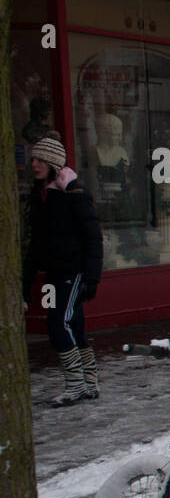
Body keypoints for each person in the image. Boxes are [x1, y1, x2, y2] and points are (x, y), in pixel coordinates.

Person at [21, 133, 103, 406]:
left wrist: (91, 279)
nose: (34, 164)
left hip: (74, 272)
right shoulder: (39, 196)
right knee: (74, 325)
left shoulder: (75, 194)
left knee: (58, 323)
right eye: (33, 158)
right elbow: (37, 245)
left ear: (54, 163)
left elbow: (93, 238)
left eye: (40, 159)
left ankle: (77, 385)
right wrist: (26, 283)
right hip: (52, 276)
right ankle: (89, 385)